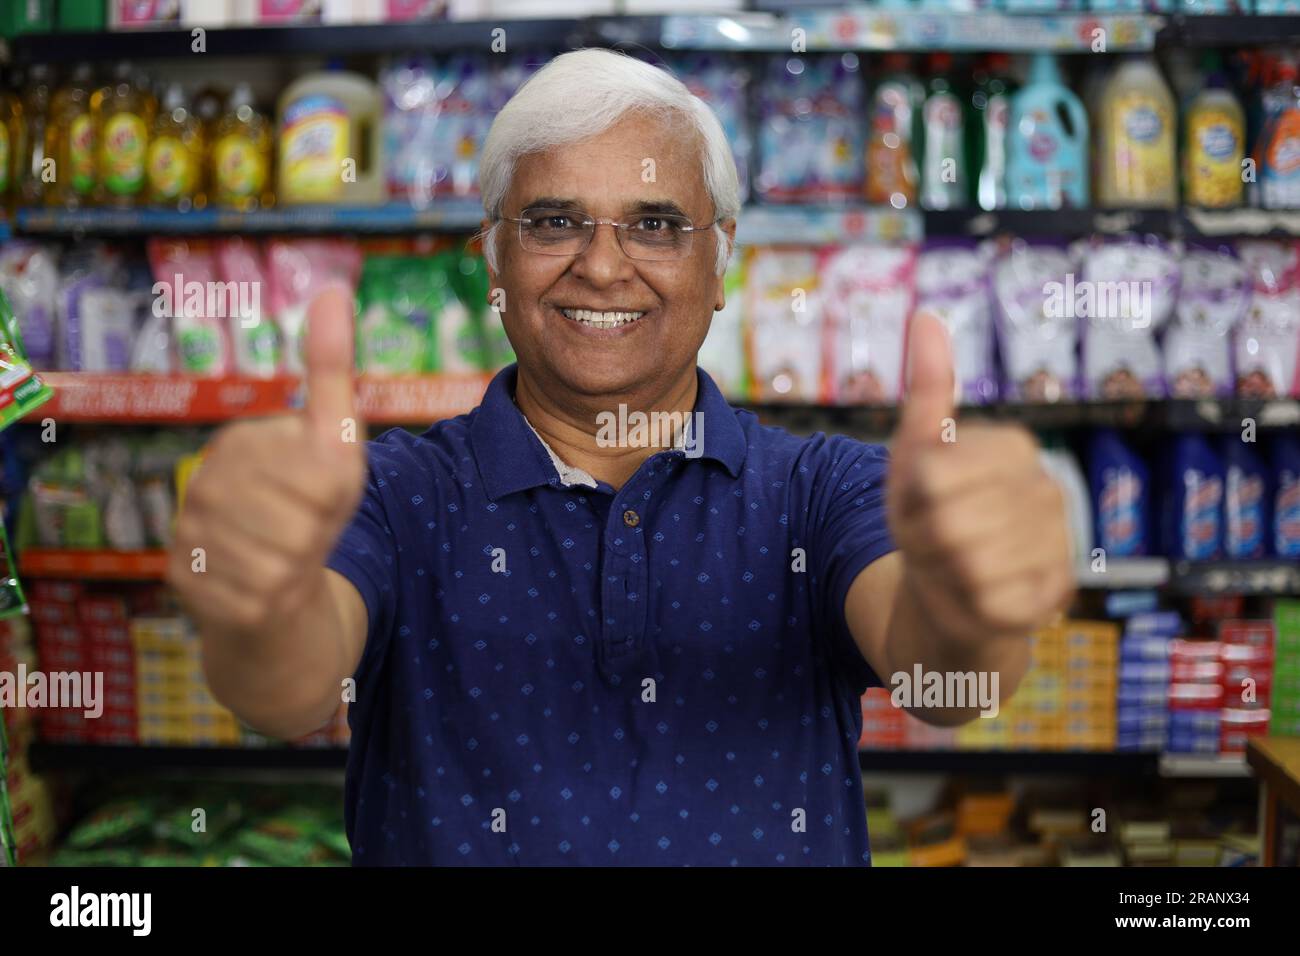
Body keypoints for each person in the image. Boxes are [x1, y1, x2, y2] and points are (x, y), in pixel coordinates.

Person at [169, 49, 1073, 865]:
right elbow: (281, 699)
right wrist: (262, 604)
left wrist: (969, 604)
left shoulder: (820, 491)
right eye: (555, 222)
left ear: (722, 268)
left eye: (655, 227)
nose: (603, 268)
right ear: (491, 258)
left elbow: (948, 685)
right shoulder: (397, 493)